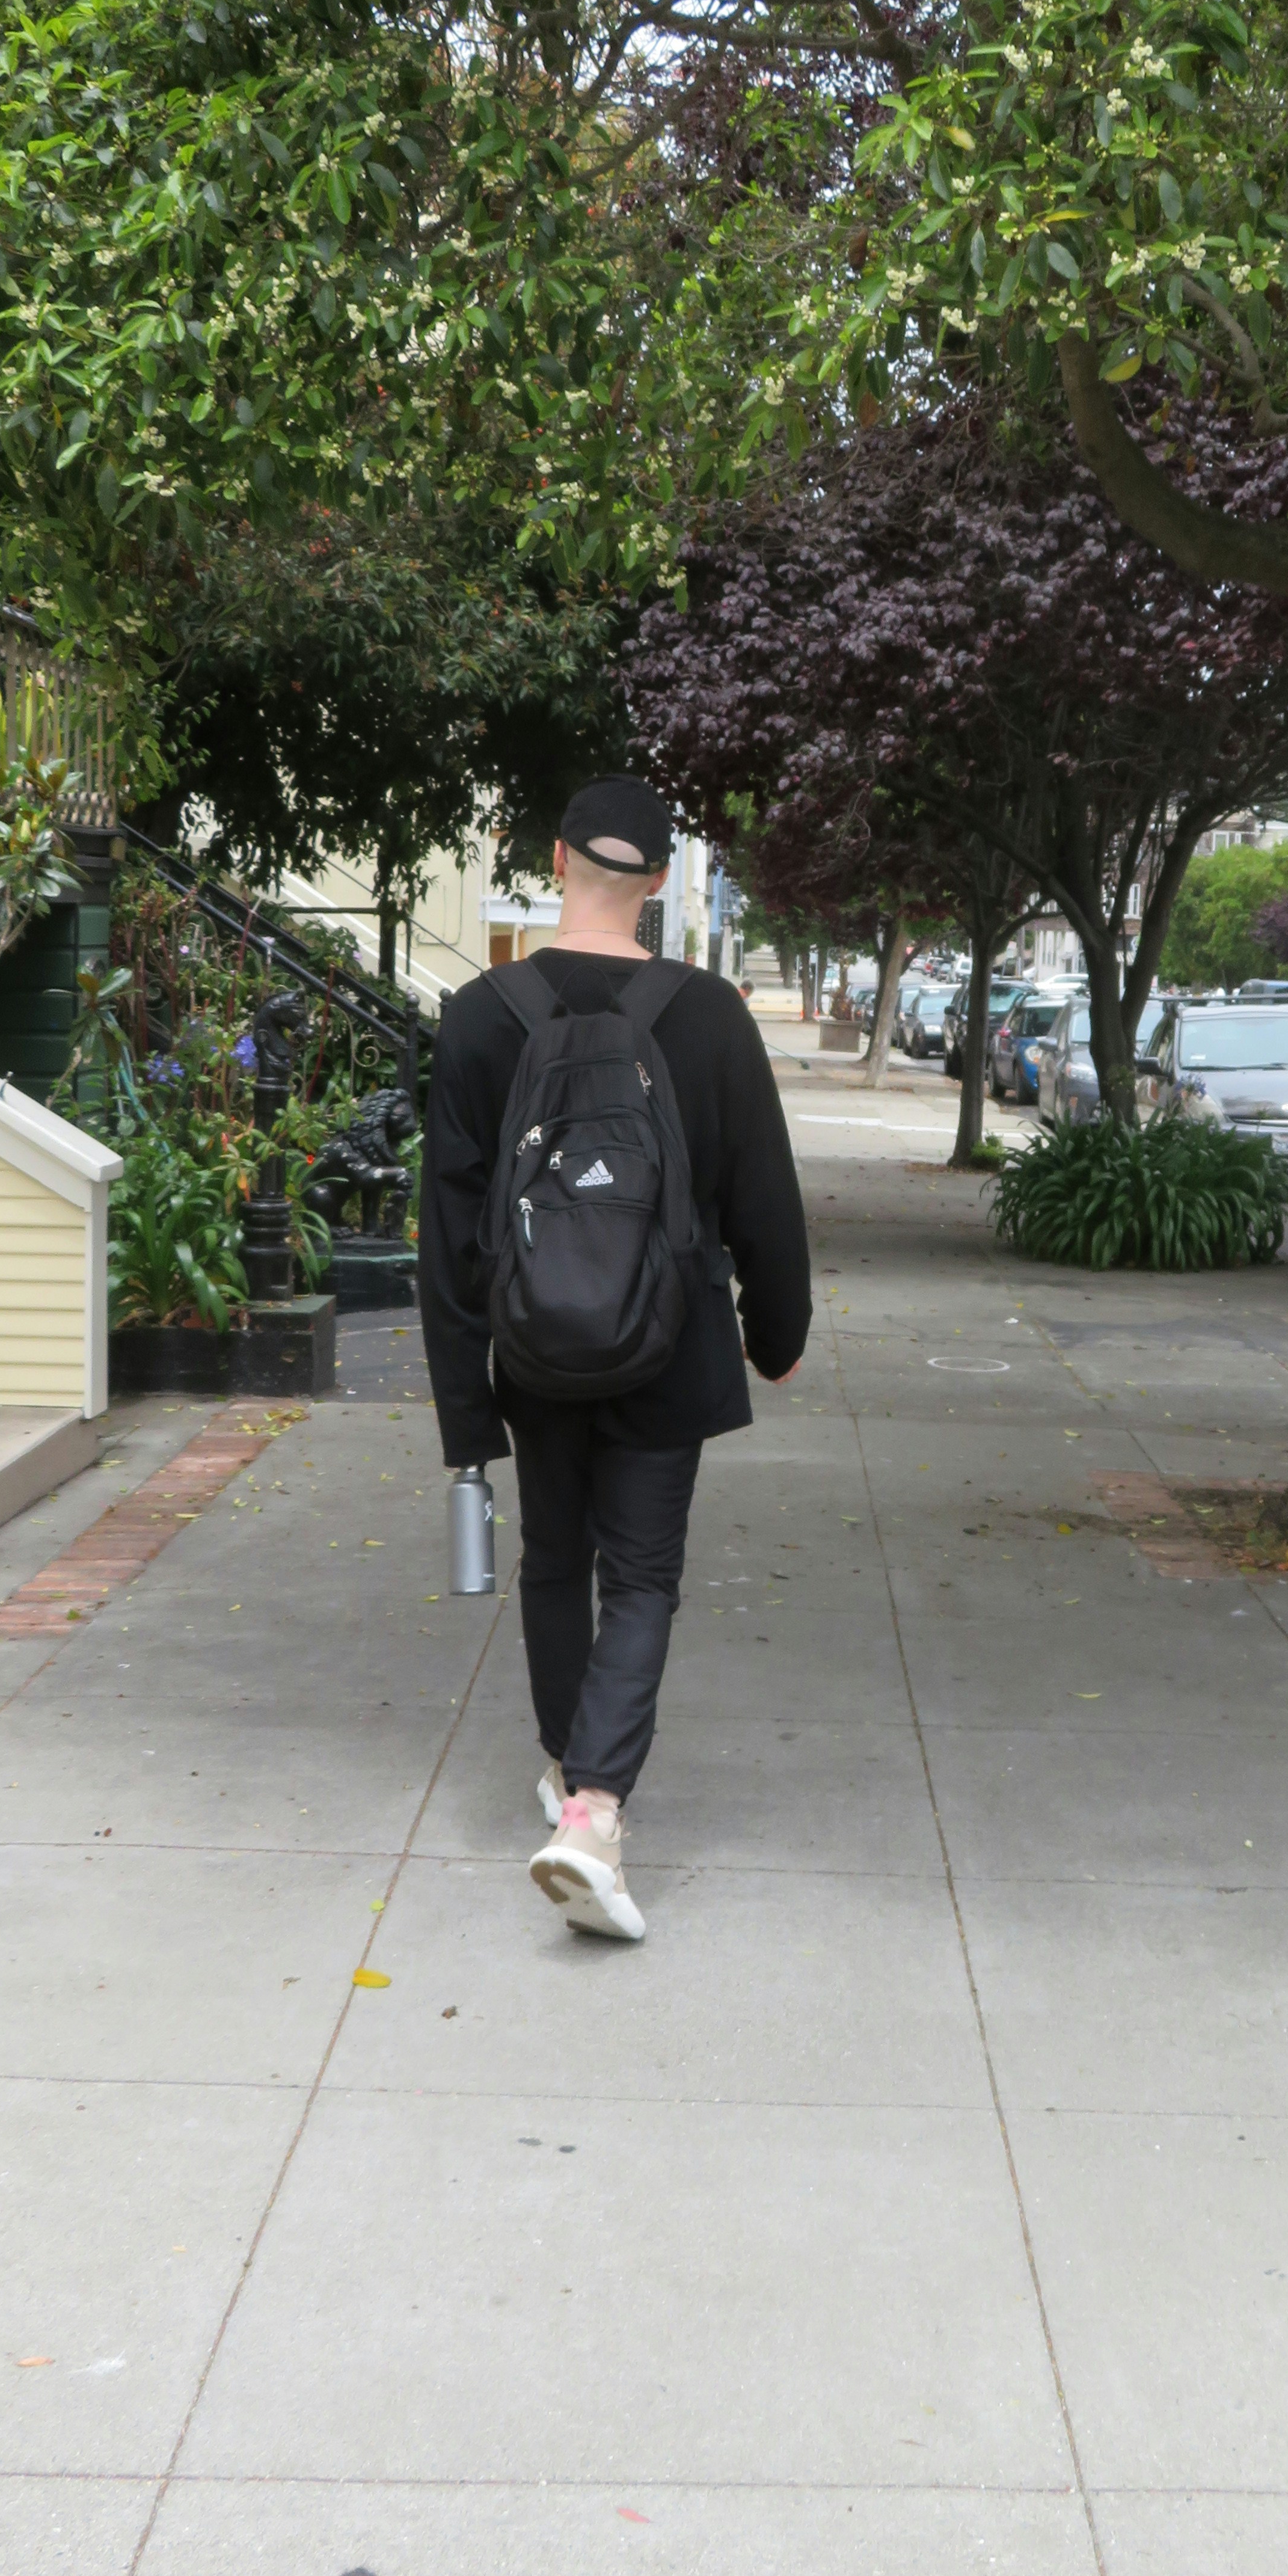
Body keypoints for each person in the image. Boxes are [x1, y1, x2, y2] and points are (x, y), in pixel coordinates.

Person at [419, 776, 812, 1943]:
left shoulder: (484, 1014)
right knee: (640, 1576)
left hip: (533, 1348)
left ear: (555, 861)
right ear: (656, 882)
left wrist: (461, 1408)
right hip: (669, 1342)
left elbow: (445, 1226)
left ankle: (569, 1771)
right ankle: (592, 1810)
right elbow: (765, 1196)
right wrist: (773, 1336)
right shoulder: (708, 1016)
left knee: (554, 1560)